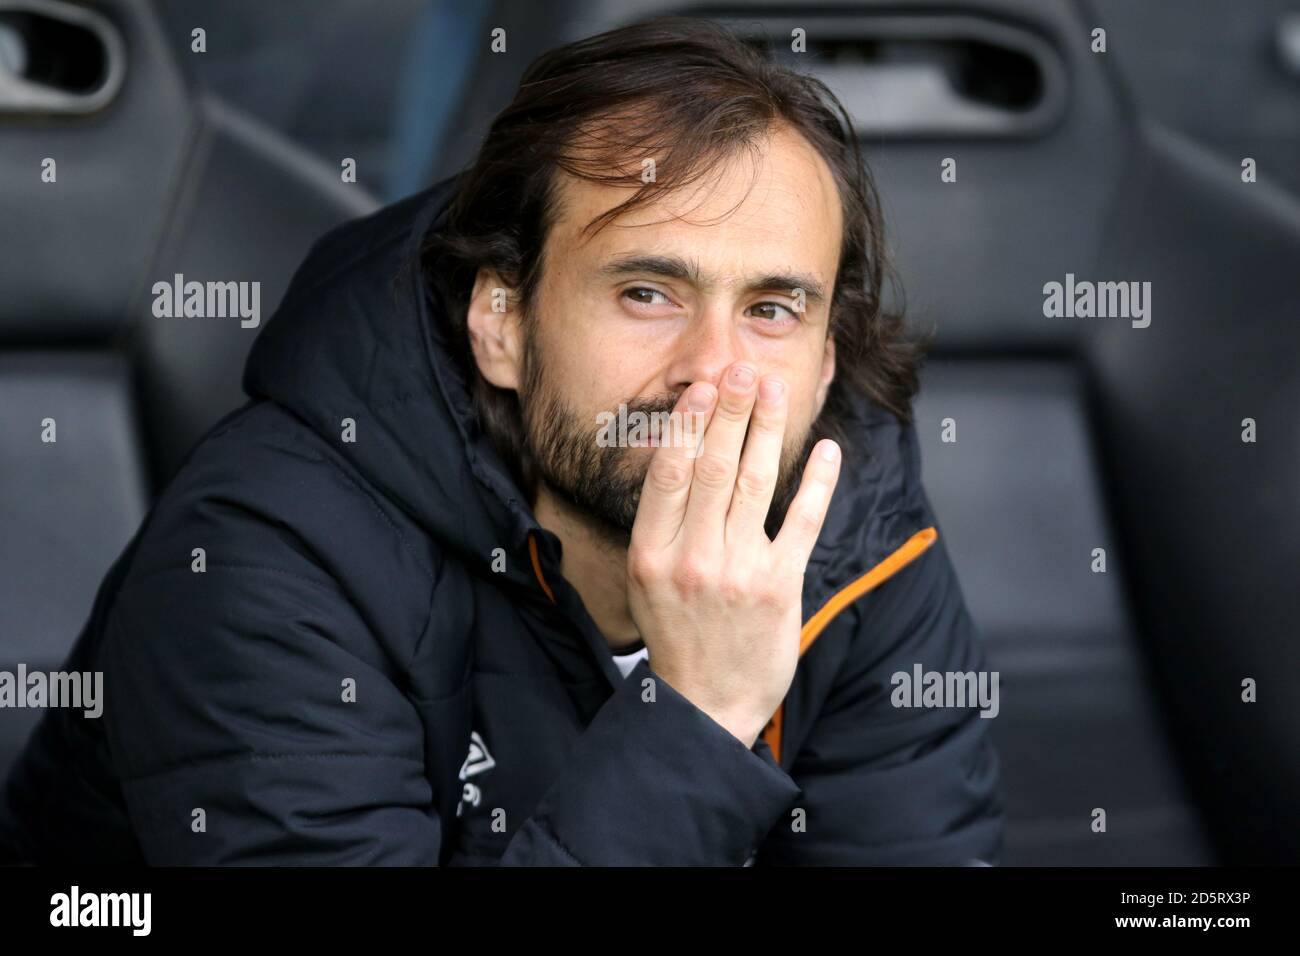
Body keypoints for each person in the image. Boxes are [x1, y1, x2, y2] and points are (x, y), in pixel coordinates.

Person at [0, 16, 1002, 865]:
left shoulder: (855, 520)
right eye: (647, 293)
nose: (716, 369)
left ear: (828, 359)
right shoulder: (258, 556)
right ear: (502, 325)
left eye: (773, 310)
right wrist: (698, 710)